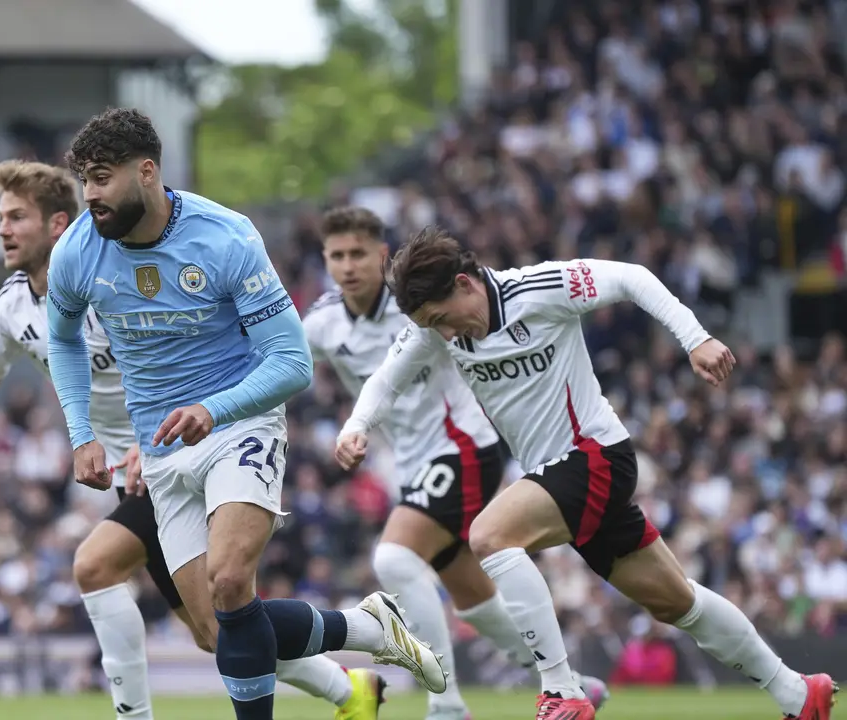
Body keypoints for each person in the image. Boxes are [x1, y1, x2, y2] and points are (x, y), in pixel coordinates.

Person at [0, 159, 390, 720]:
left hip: (172, 453)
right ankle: (350, 687)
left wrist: (143, 441)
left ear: (56, 225)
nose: (2, 229)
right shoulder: (11, 306)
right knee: (214, 630)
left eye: (16, 217)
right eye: (1, 217)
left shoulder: (108, 279)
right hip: (133, 473)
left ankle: (135, 715)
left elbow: (169, 363)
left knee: (97, 566)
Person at [338, 226, 839, 720]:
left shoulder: (538, 289)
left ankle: (562, 691)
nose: (444, 333)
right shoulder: (434, 330)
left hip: (595, 455)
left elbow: (631, 277)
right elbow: (386, 381)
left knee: (489, 536)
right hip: (557, 479)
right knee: (676, 601)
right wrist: (357, 426)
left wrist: (696, 338)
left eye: (442, 318)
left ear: (464, 284)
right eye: (432, 325)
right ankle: (798, 693)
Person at [46, 108, 445, 720]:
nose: (90, 195)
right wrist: (81, 436)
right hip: (161, 449)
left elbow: (292, 362)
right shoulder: (78, 251)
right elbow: (64, 340)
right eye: (84, 181)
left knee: (231, 581)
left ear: (147, 172)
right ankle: (367, 628)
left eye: (102, 178)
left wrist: (213, 409)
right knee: (217, 629)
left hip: (238, 423)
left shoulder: (225, 237)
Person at [306, 207, 609, 719]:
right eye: (337, 256)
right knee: (475, 601)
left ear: (383, 256)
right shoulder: (321, 324)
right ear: (325, 260)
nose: (348, 265)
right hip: (412, 468)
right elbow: (283, 362)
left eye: (359, 253)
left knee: (394, 559)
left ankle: (446, 705)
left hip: (463, 447)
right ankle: (574, 685)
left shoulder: (420, 306)